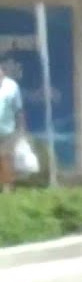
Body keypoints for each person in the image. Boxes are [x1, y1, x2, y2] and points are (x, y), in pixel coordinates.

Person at [0, 63, 25, 193]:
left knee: (6, 158)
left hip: (7, 131)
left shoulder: (12, 87)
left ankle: (8, 188)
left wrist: (21, 130)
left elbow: (18, 110)